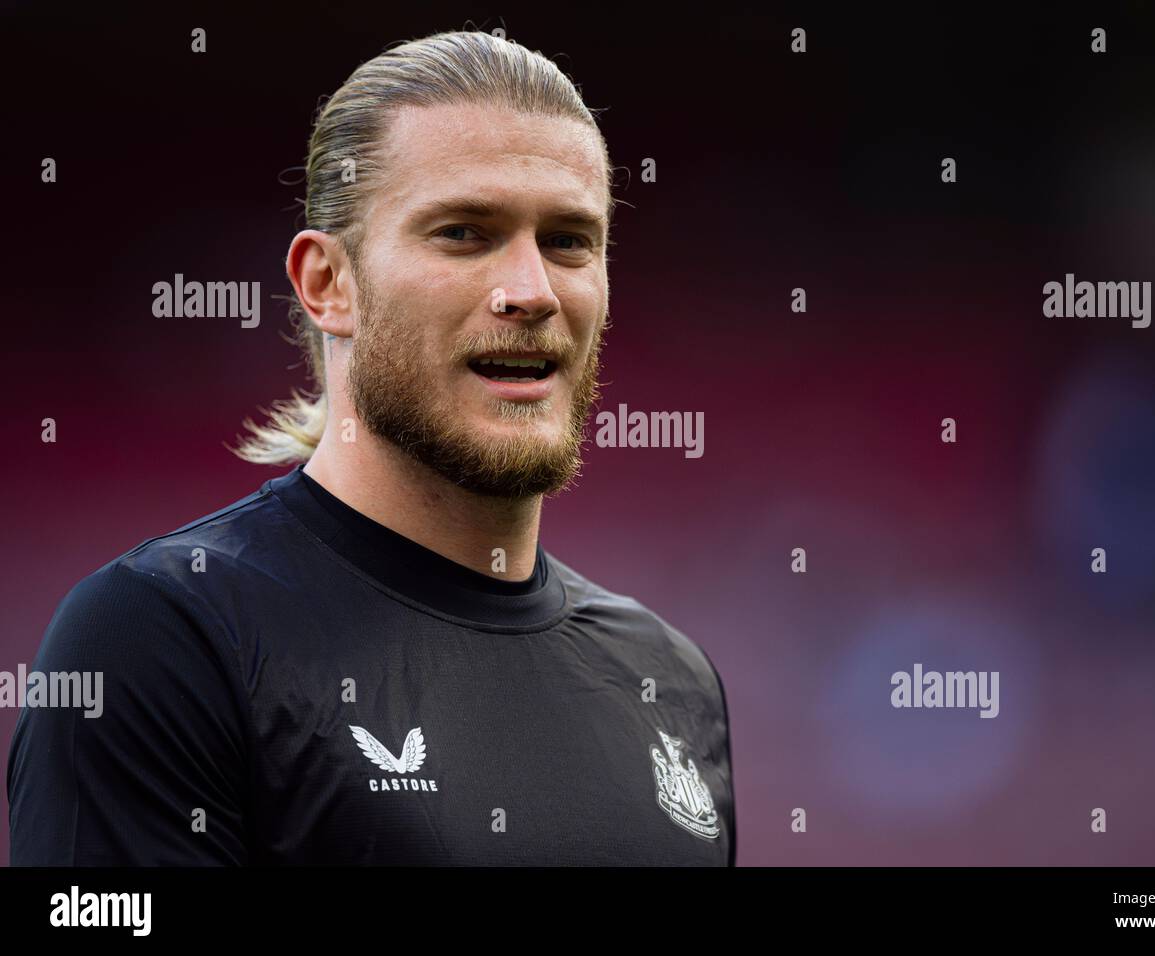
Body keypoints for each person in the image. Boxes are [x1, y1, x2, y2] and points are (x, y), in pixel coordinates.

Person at [7, 30, 735, 866]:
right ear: (328, 284)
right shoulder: (164, 640)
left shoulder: (671, 682)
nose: (530, 291)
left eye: (570, 240)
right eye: (464, 232)